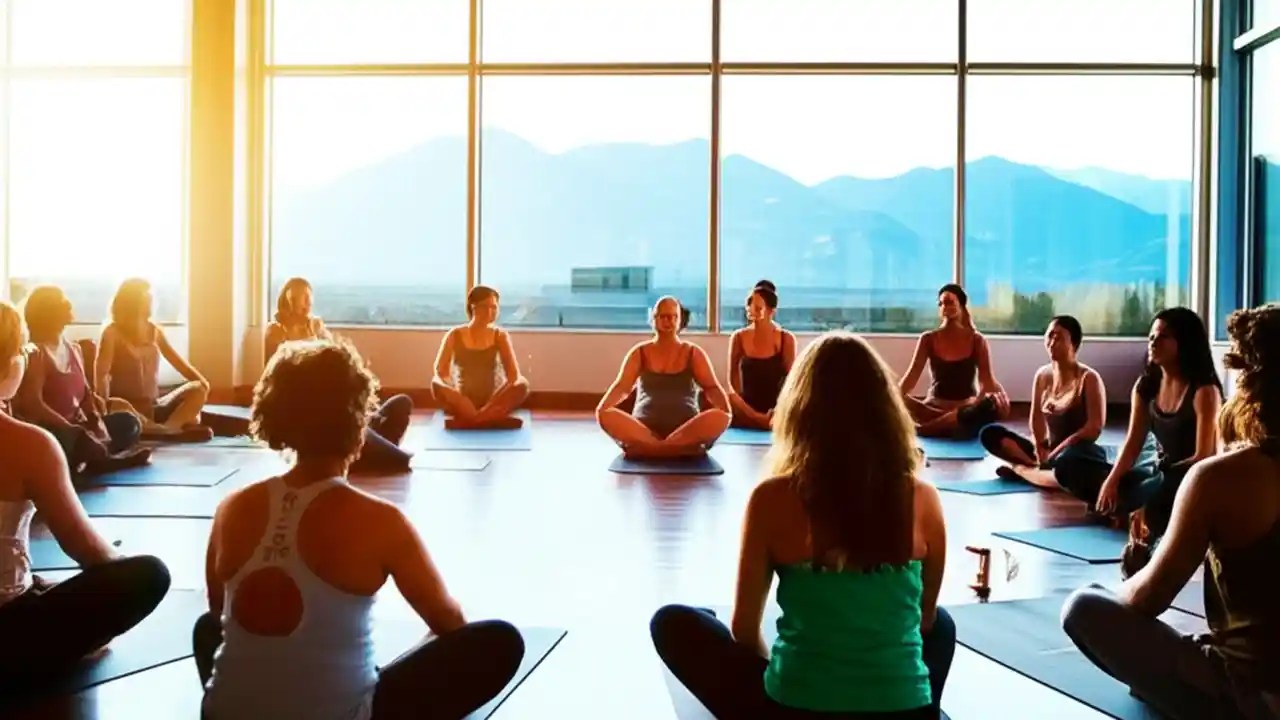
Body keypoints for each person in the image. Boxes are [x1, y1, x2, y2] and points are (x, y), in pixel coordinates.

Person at [195, 337, 525, 719]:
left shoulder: (231, 508)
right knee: (500, 642)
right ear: (358, 418)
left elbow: (219, 612)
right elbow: (449, 623)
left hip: (221, 714)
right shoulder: (382, 521)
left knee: (208, 628)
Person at [652, 331, 954, 719]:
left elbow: (744, 631)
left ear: (800, 410)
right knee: (941, 626)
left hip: (795, 711)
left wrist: (780, 674)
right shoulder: (924, 499)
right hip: (906, 713)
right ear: (886, 410)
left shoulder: (770, 499)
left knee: (672, 623)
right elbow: (924, 619)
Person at [1061, 303, 1280, 720]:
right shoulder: (1149, 387)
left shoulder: (1220, 477)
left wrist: (1127, 583)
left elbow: (1147, 599)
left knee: (1084, 606)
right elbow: (1133, 444)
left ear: (1251, 385)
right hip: (1164, 480)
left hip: (1251, 696)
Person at [0, 300, 171, 693]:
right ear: (11, 364)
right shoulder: (29, 444)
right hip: (8, 637)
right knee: (150, 574)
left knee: (39, 584)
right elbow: (92, 554)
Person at [1091, 308, 1223, 575]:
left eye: (1163, 337)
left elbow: (1204, 457)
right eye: (1152, 336)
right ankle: (1148, 531)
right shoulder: (1146, 387)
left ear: (1184, 342)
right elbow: (1133, 442)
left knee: (1157, 490)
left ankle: (1157, 541)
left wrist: (1147, 495)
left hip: (1194, 477)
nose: (1153, 342)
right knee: (1115, 484)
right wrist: (1112, 480)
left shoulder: (1204, 391)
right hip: (1160, 474)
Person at [264, 277, 413, 474]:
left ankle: (362, 448)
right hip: (315, 412)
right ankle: (361, 452)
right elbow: (273, 373)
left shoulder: (315, 325)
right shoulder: (277, 330)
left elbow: (338, 359)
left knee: (402, 403)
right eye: (302, 297)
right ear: (289, 300)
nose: (308, 302)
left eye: (310, 297)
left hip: (338, 406)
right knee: (400, 460)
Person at [14, 285, 151, 475]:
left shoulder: (74, 349)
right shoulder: (36, 354)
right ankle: (100, 459)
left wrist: (96, 422)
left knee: (129, 423)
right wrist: (71, 429)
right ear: (48, 312)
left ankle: (93, 456)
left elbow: (86, 395)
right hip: (56, 431)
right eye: (61, 301)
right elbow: (33, 404)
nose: (68, 304)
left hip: (80, 427)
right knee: (70, 440)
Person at [979, 315, 1108, 492]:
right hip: (1048, 451)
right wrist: (1040, 450)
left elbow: (1094, 428)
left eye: (1059, 338)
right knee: (989, 434)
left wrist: (1057, 452)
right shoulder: (1042, 375)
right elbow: (1037, 421)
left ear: (1074, 344)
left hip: (1076, 452)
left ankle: (1022, 471)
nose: (1052, 342)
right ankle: (1038, 470)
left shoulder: (1089, 378)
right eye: (1050, 336)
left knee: (1069, 465)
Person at [596, 296, 731, 457]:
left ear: (680, 321)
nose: (669, 321)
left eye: (674, 317)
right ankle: (671, 448)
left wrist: (726, 413)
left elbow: (712, 387)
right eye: (664, 316)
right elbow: (622, 387)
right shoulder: (640, 352)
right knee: (605, 415)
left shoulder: (693, 352)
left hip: (685, 428)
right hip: (644, 428)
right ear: (654, 319)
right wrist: (602, 409)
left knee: (720, 417)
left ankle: (655, 448)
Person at [95, 278, 212, 442]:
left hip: (154, 406)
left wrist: (203, 386)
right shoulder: (111, 333)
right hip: (126, 407)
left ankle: (165, 430)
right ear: (133, 301)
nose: (152, 300)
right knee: (116, 404)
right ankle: (162, 430)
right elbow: (101, 374)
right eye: (147, 296)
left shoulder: (155, 331)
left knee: (198, 389)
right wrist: (104, 406)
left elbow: (182, 367)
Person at [899, 284, 1011, 438]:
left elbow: (986, 382)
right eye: (941, 303)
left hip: (965, 408)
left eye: (949, 302)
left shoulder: (976, 340)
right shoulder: (928, 339)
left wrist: (995, 401)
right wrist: (893, 396)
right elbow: (911, 377)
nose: (945, 307)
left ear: (961, 305)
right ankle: (947, 423)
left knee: (984, 409)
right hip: (932, 408)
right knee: (900, 398)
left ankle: (926, 429)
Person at [431, 285, 530, 430]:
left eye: (494, 307)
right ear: (473, 307)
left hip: (494, 400)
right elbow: (441, 371)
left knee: (522, 384)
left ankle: (473, 420)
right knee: (436, 383)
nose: (490, 312)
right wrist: (458, 398)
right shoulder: (455, 334)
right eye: (484, 307)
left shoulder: (500, 335)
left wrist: (490, 405)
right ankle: (490, 419)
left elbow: (513, 376)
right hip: (465, 401)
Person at [727, 280, 796, 430]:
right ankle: (762, 421)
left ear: (771, 311)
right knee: (723, 397)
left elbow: (791, 381)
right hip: (748, 407)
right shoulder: (738, 337)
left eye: (759, 307)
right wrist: (747, 410)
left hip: (776, 405)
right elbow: (732, 380)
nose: (753, 309)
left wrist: (779, 409)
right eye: (751, 305)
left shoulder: (785, 338)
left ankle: (769, 420)